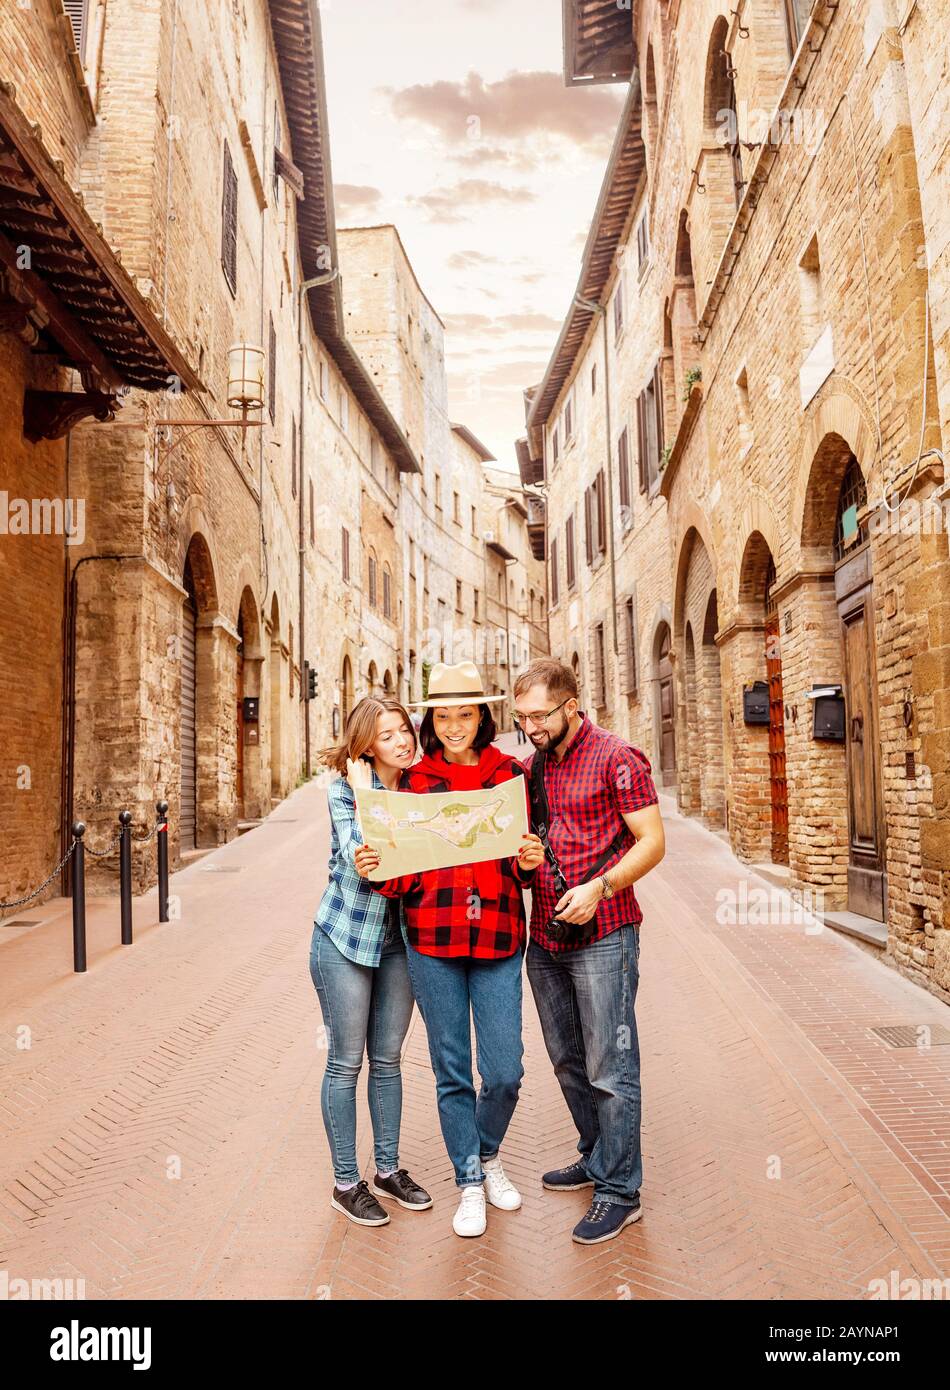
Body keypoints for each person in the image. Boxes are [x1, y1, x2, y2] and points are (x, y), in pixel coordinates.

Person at [354, 661, 545, 1238]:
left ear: (481, 717)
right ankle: (469, 1179)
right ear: (430, 720)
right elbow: (400, 876)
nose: (455, 725)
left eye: (466, 713)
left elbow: (521, 862)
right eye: (444, 715)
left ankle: (487, 1155)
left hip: (499, 936)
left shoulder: (509, 775)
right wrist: (376, 870)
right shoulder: (411, 783)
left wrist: (528, 862)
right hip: (433, 940)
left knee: (505, 1070)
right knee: (452, 1069)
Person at [513, 659, 665, 1245]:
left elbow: (653, 843)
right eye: (521, 716)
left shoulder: (618, 758)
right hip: (546, 937)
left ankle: (620, 1191)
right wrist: (525, 866)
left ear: (571, 706)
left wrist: (600, 886)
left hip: (606, 933)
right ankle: (598, 1154)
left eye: (539, 715)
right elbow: (530, 856)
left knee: (610, 1064)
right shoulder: (532, 771)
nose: (530, 727)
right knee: (567, 1059)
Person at [309, 697, 432, 1228]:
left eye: (403, 729)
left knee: (388, 1058)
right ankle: (345, 1182)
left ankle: (387, 1170)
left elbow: (425, 854)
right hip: (345, 941)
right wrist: (363, 792)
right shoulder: (343, 790)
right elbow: (370, 864)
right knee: (345, 1062)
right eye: (386, 735)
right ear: (365, 746)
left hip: (398, 942)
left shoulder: (420, 787)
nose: (402, 741)